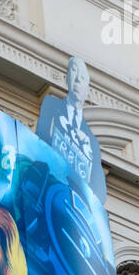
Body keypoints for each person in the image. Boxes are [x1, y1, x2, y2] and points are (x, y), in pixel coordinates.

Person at [36, 55, 105, 202]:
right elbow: (40, 140)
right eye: (74, 71)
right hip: (46, 189)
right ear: (67, 78)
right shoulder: (51, 105)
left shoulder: (92, 141)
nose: (78, 79)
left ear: (87, 91)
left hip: (72, 204)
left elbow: (100, 193)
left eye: (83, 78)